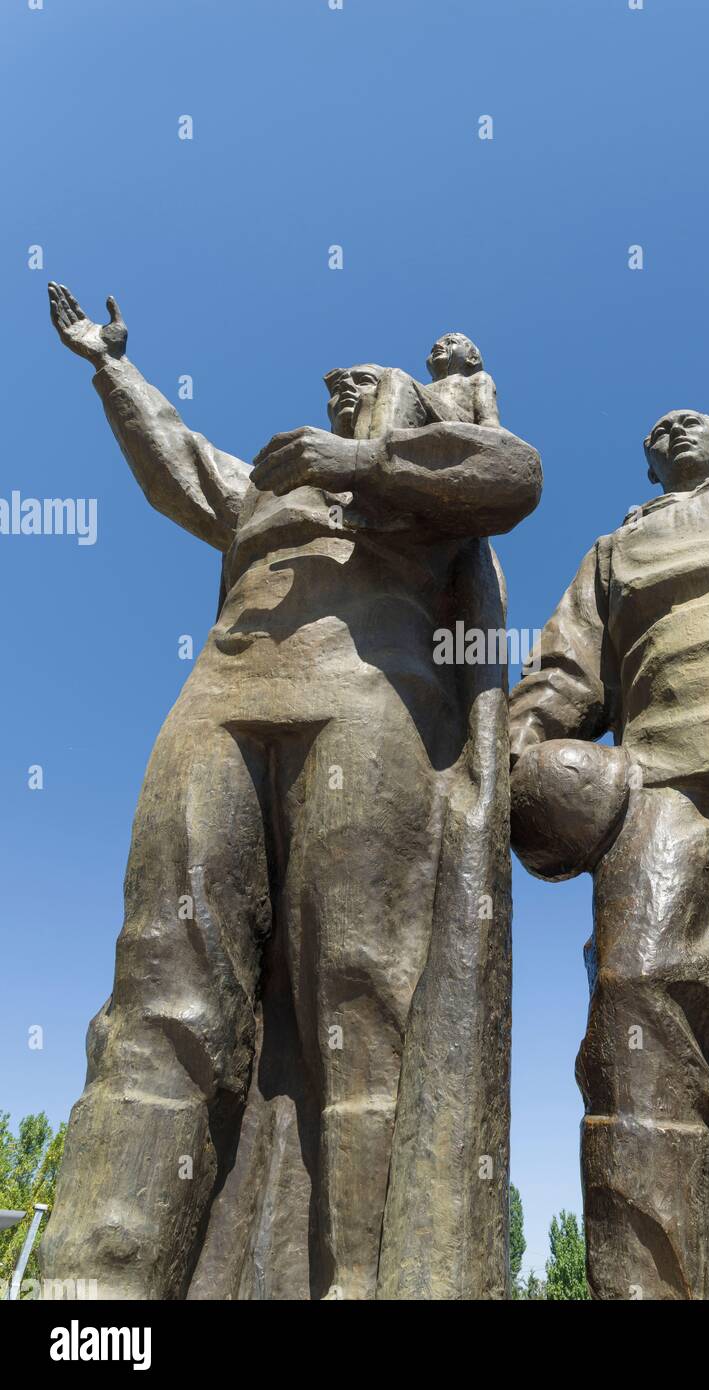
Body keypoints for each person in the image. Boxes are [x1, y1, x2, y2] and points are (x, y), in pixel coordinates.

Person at [40, 282, 541, 1300]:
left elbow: (515, 474)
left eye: (363, 379)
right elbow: (178, 462)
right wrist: (113, 365)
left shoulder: (425, 487)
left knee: (363, 986)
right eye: (333, 386)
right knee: (162, 979)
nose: (338, 388)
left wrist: (364, 462)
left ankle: (363, 1280)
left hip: (368, 703)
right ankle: (96, 1294)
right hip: (220, 699)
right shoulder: (267, 493)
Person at [509, 409, 709, 1299]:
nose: (679, 427)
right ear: (648, 466)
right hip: (660, 786)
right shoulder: (613, 554)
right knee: (638, 1006)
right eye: (660, 429)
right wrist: (514, 754)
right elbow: (564, 676)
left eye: (696, 422)